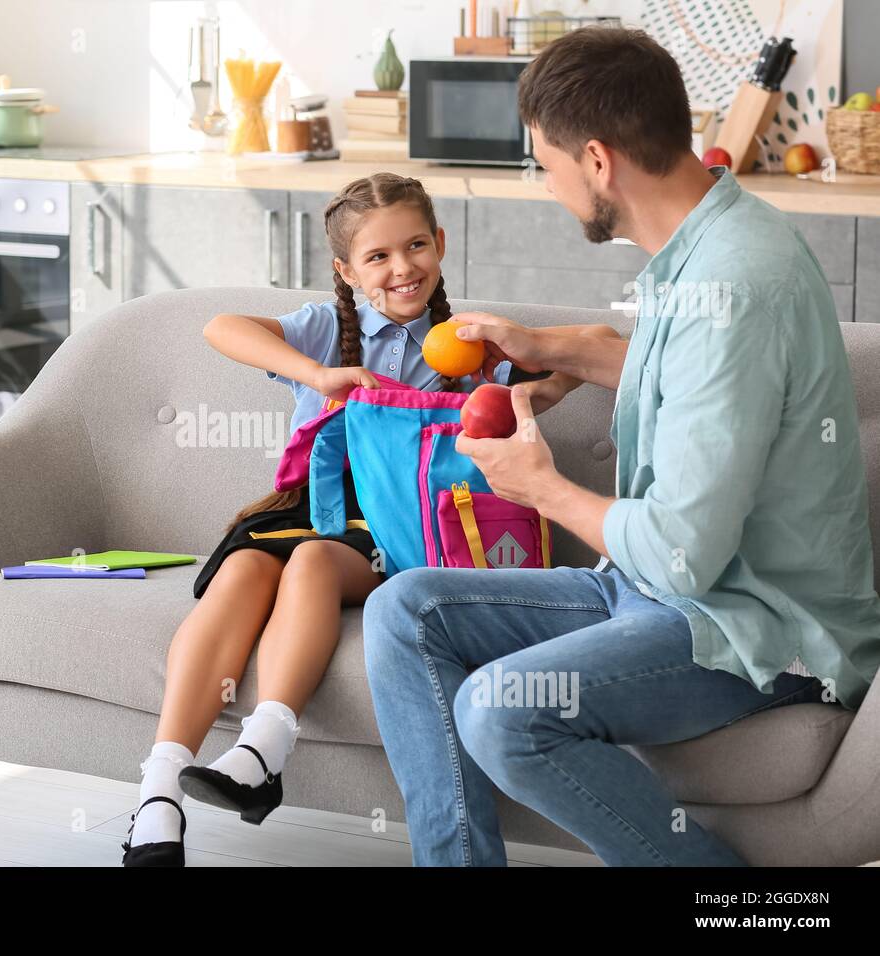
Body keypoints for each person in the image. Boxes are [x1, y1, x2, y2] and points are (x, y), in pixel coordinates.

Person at [362, 26, 880, 867]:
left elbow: (683, 556)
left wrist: (542, 488)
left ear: (598, 161)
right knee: (404, 609)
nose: (550, 186)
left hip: (756, 626)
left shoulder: (735, 287)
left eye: (550, 164)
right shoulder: (707, 243)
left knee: (504, 708)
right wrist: (546, 344)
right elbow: (691, 374)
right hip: (659, 594)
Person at [122, 172, 508, 866]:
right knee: (242, 572)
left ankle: (265, 746)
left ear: (441, 244)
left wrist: (526, 367)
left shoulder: (468, 347)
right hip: (303, 502)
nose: (402, 268)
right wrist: (317, 374)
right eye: (378, 257)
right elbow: (221, 327)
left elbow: (539, 392)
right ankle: (158, 795)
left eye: (416, 245)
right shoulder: (328, 330)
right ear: (346, 271)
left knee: (311, 562)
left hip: (390, 521)